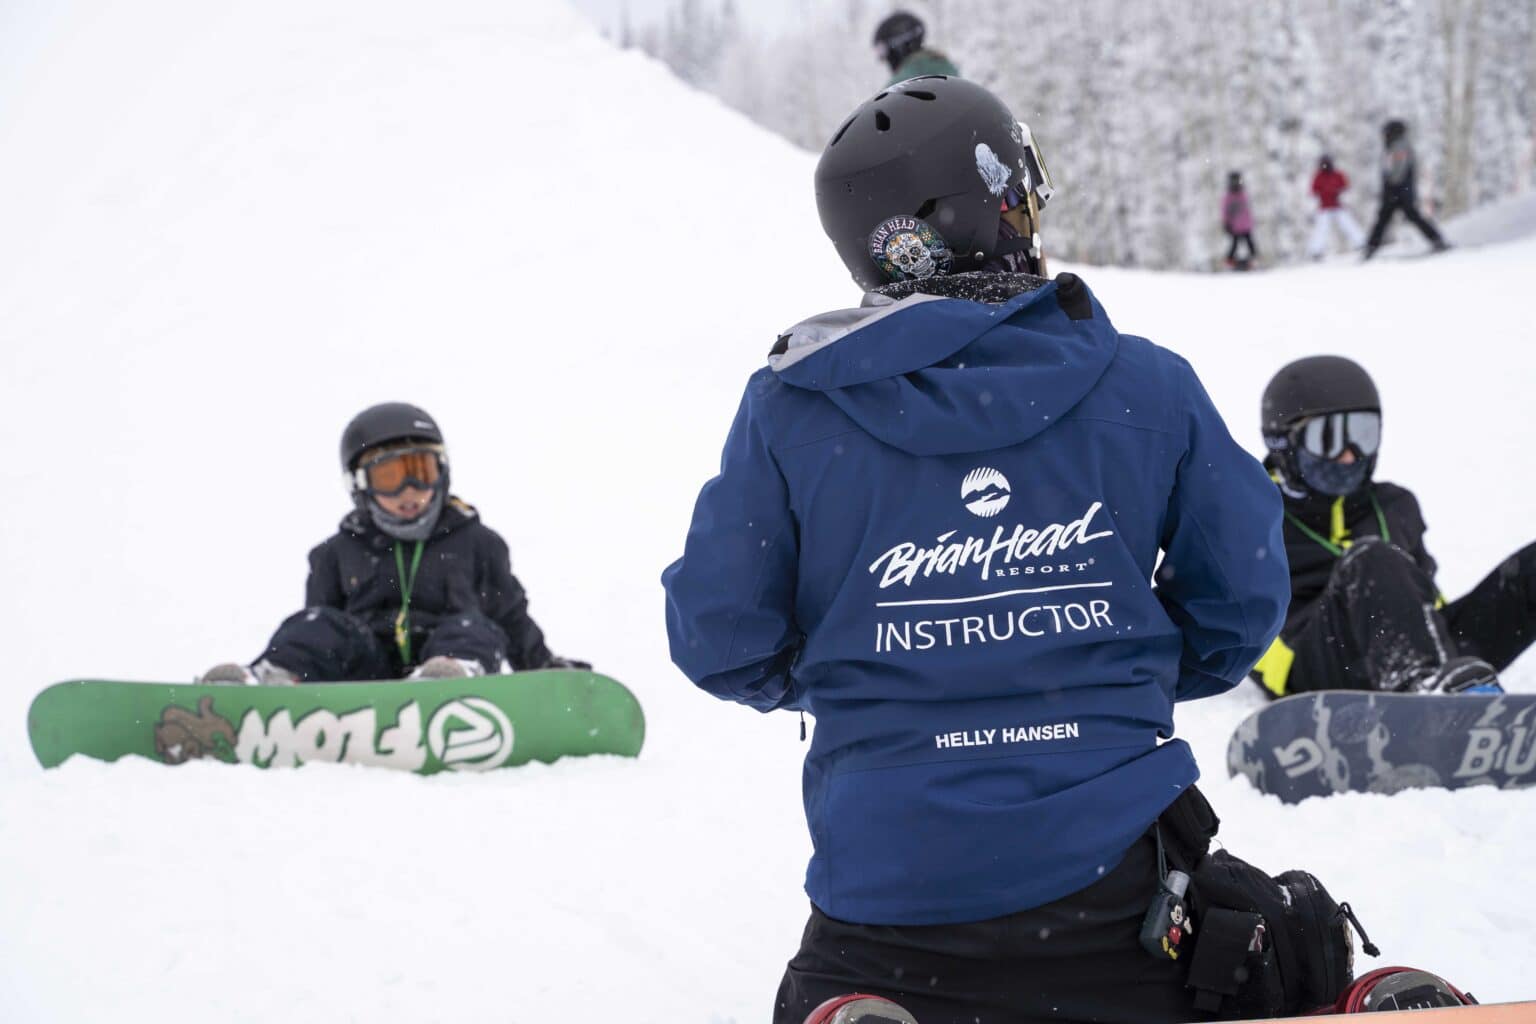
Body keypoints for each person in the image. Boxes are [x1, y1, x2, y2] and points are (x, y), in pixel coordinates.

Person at [662, 77, 1291, 1024]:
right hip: (1115, 899)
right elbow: (1239, 601)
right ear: (1002, 205)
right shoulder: (1145, 388)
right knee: (1275, 943)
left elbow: (720, 634)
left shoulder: (793, 407)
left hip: (884, 905)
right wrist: (1112, 668)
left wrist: (866, 676)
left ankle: (862, 1003)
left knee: (843, 990)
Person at [200, 402, 585, 685]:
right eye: (390, 477)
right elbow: (321, 632)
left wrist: (544, 669)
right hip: (364, 679)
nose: (410, 490)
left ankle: (447, 682)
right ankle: (270, 685)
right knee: (320, 624)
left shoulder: (479, 544)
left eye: (421, 472)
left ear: (443, 473)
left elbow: (511, 617)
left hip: (446, 657)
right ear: (360, 485)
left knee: (475, 626)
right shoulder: (335, 554)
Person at [1252, 356, 1531, 697]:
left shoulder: (1393, 506)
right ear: (1283, 442)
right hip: (1316, 665)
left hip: (1415, 655)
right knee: (1370, 557)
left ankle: (1438, 689)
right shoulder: (1254, 514)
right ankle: (1428, 698)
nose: (1349, 455)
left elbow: (1425, 600)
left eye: (1362, 435)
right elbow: (1236, 619)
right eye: (1329, 438)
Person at [1363, 119, 1450, 259]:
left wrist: (1390, 185)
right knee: (1393, 218)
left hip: (1399, 192)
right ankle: (1436, 240)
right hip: (1399, 191)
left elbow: (1398, 170)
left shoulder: (1399, 146)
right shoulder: (1395, 146)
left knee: (1390, 219)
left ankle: (1371, 248)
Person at [872, 11, 958, 85]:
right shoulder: (947, 67)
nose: (886, 60)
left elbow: (885, 101)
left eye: (884, 52)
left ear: (898, 47)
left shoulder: (903, 82)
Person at [1306, 154, 1366, 258]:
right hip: (1324, 207)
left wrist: (1340, 194)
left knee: (1349, 224)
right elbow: (1313, 191)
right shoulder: (1318, 176)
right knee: (1321, 229)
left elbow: (1346, 188)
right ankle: (1316, 251)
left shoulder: (1337, 174)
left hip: (1338, 206)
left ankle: (1361, 243)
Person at [1222, 170, 1257, 268]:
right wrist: (1226, 223)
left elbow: (1248, 210)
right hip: (1234, 226)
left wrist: (1251, 222)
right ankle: (1230, 261)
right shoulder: (1228, 197)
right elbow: (1224, 211)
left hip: (1245, 225)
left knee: (1249, 242)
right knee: (1234, 244)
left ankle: (1253, 260)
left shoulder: (1243, 194)